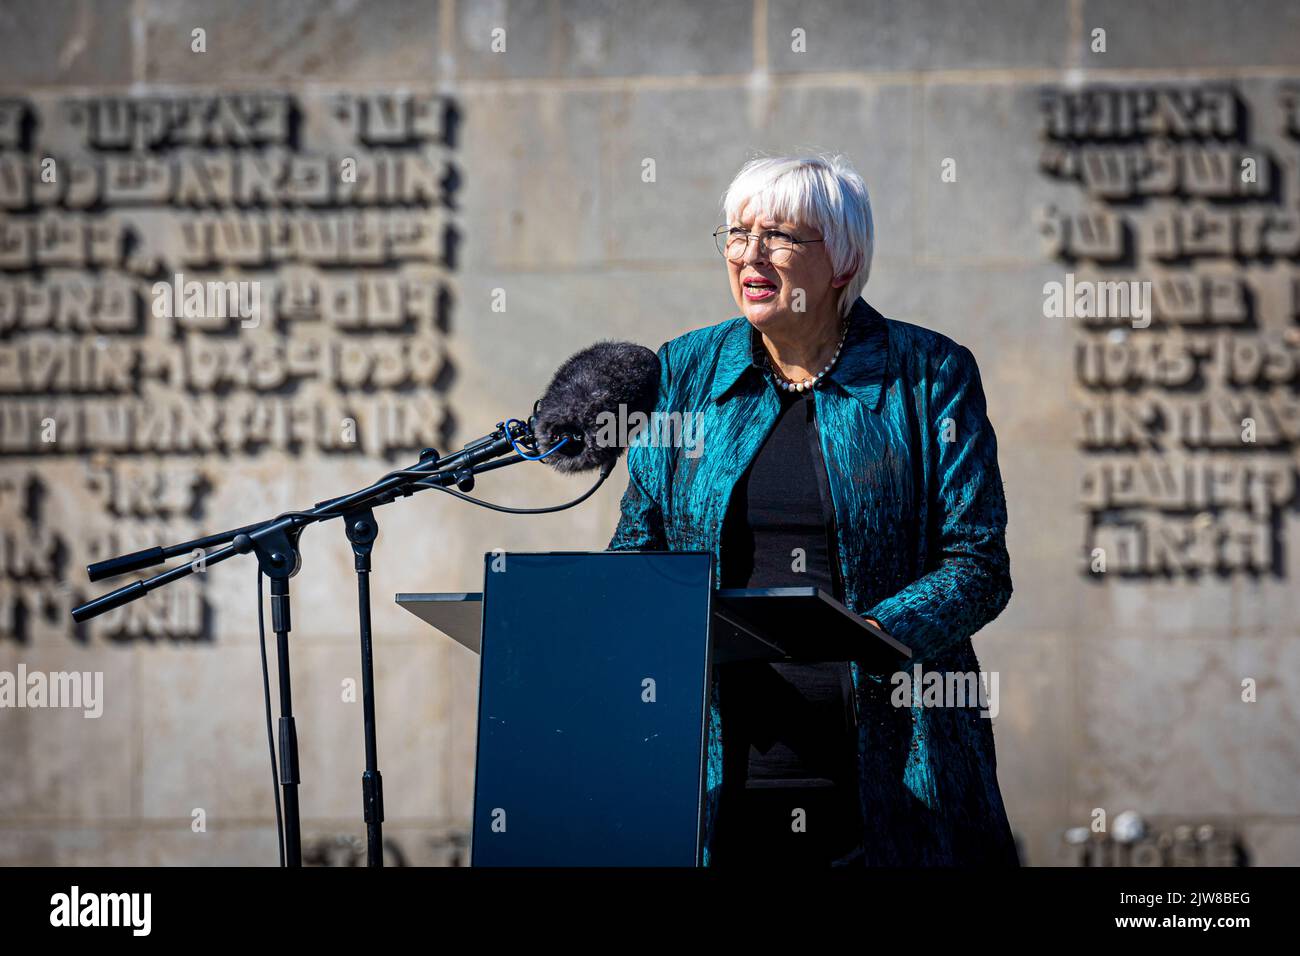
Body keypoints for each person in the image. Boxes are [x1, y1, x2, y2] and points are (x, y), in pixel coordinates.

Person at [608, 153, 1018, 866]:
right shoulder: (687, 371)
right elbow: (640, 543)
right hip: (720, 775)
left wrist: (874, 632)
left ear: (842, 262)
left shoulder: (928, 375)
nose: (751, 255)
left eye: (782, 237)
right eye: (737, 234)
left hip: (894, 772)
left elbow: (978, 565)